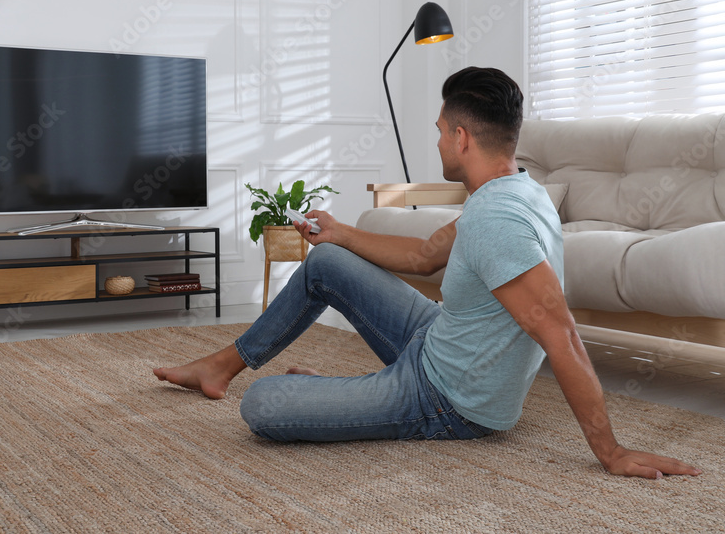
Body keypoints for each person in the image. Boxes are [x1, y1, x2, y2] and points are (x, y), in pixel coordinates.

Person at [154, 66, 700, 480]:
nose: (437, 140)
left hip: (446, 399)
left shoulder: (498, 220)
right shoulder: (516, 189)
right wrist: (342, 232)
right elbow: (426, 257)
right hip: (435, 339)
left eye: (440, 130)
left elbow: (561, 336)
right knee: (326, 263)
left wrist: (612, 452)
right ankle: (222, 366)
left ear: (462, 137)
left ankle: (353, 395)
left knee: (264, 406)